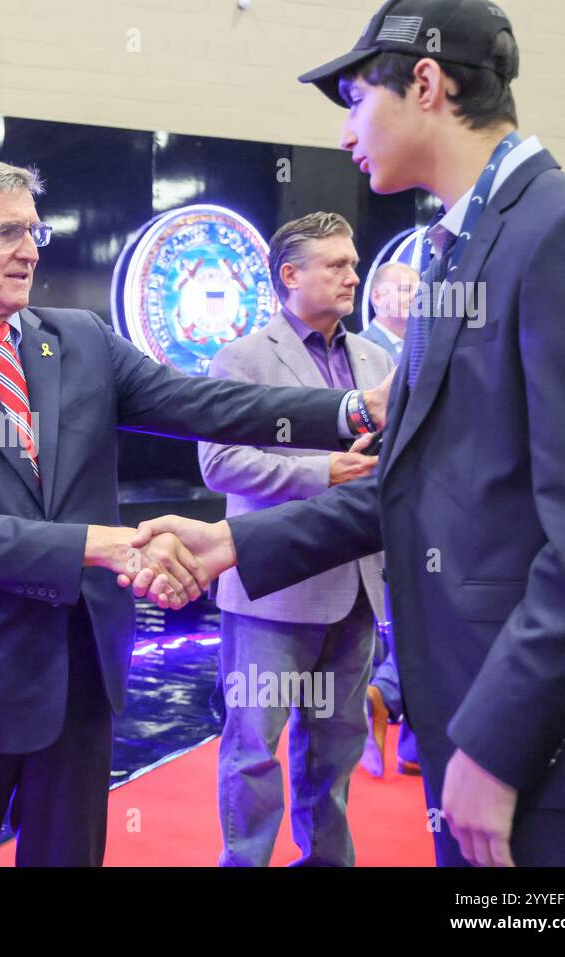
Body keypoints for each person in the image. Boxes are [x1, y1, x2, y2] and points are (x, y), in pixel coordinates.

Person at [128, 0, 565, 866]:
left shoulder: (564, 232)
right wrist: (228, 541)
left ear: (428, 83)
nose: (346, 133)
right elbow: (412, 483)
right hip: (469, 724)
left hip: (542, 751)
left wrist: (500, 740)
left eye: (357, 99)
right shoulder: (455, 251)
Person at [0, 158, 391, 866]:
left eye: (33, 228)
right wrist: (104, 546)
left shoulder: (81, 340)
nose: (31, 248)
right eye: (5, 231)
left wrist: (347, 408)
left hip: (79, 674)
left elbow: (208, 404)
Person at [199, 211, 391, 865]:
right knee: (254, 750)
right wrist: (324, 470)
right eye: (336, 263)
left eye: (353, 262)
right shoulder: (243, 357)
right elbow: (220, 463)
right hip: (273, 591)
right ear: (290, 275)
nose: (352, 274)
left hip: (359, 585)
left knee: (335, 752)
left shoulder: (377, 359)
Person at [360, 260, 421, 776]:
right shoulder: (365, 356)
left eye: (417, 290)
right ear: (377, 299)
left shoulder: (423, 346)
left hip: (426, 511)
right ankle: (388, 695)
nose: (412, 297)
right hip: (377, 510)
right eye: (402, 289)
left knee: (423, 623)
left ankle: (401, 721)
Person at [361, 261, 417, 361]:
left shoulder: (424, 345)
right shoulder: (358, 347)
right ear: (377, 297)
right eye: (405, 289)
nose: (415, 297)